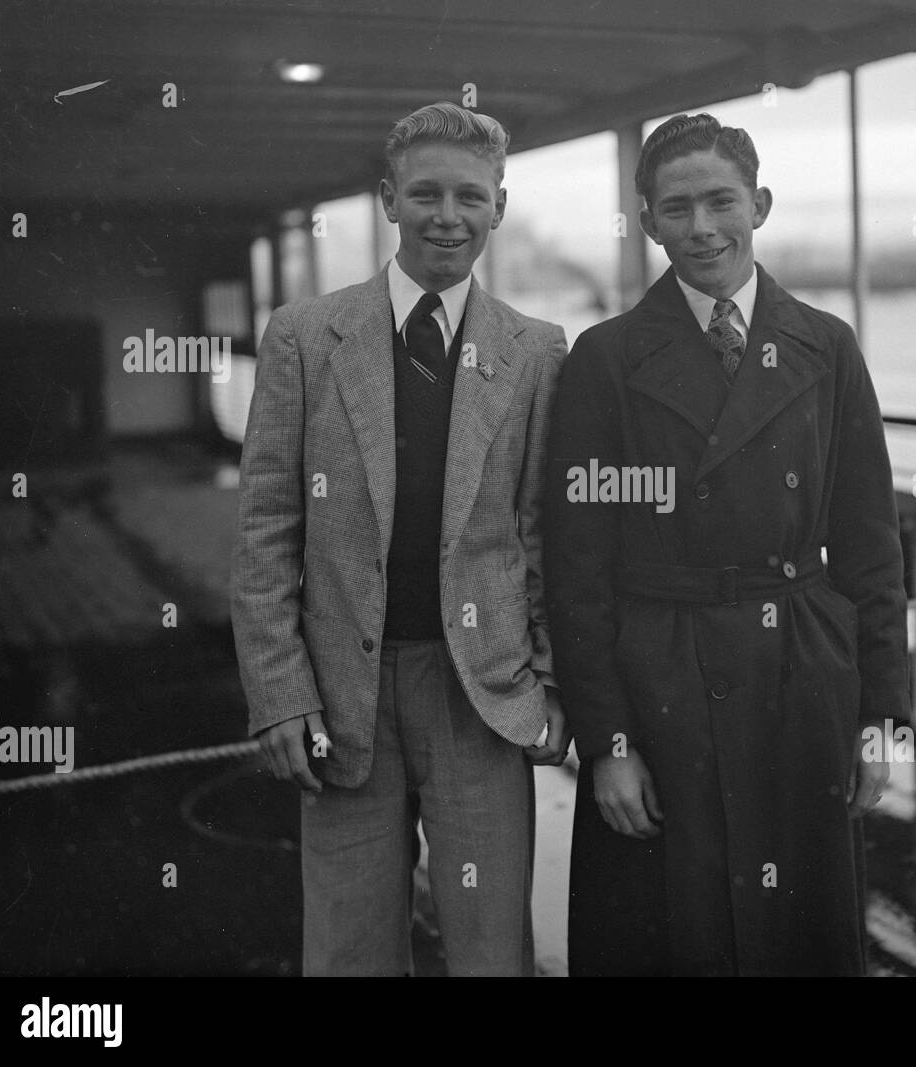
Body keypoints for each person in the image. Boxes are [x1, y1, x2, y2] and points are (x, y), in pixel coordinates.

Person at [545, 113, 909, 976]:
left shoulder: (826, 345)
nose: (702, 228)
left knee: (797, 936)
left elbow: (870, 547)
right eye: (677, 209)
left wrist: (881, 718)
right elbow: (577, 568)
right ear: (647, 223)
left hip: (802, 674)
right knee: (674, 929)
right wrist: (610, 745)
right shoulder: (605, 359)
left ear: (762, 204)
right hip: (662, 676)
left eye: (721, 202)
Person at [231, 102, 569, 976]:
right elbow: (267, 526)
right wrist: (277, 691)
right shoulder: (306, 337)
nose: (447, 217)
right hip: (342, 697)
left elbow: (544, 534)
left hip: (480, 696)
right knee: (348, 951)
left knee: (492, 953)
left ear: (499, 205)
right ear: (388, 198)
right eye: (425, 193)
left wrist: (554, 681)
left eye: (470, 196)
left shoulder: (536, 352)